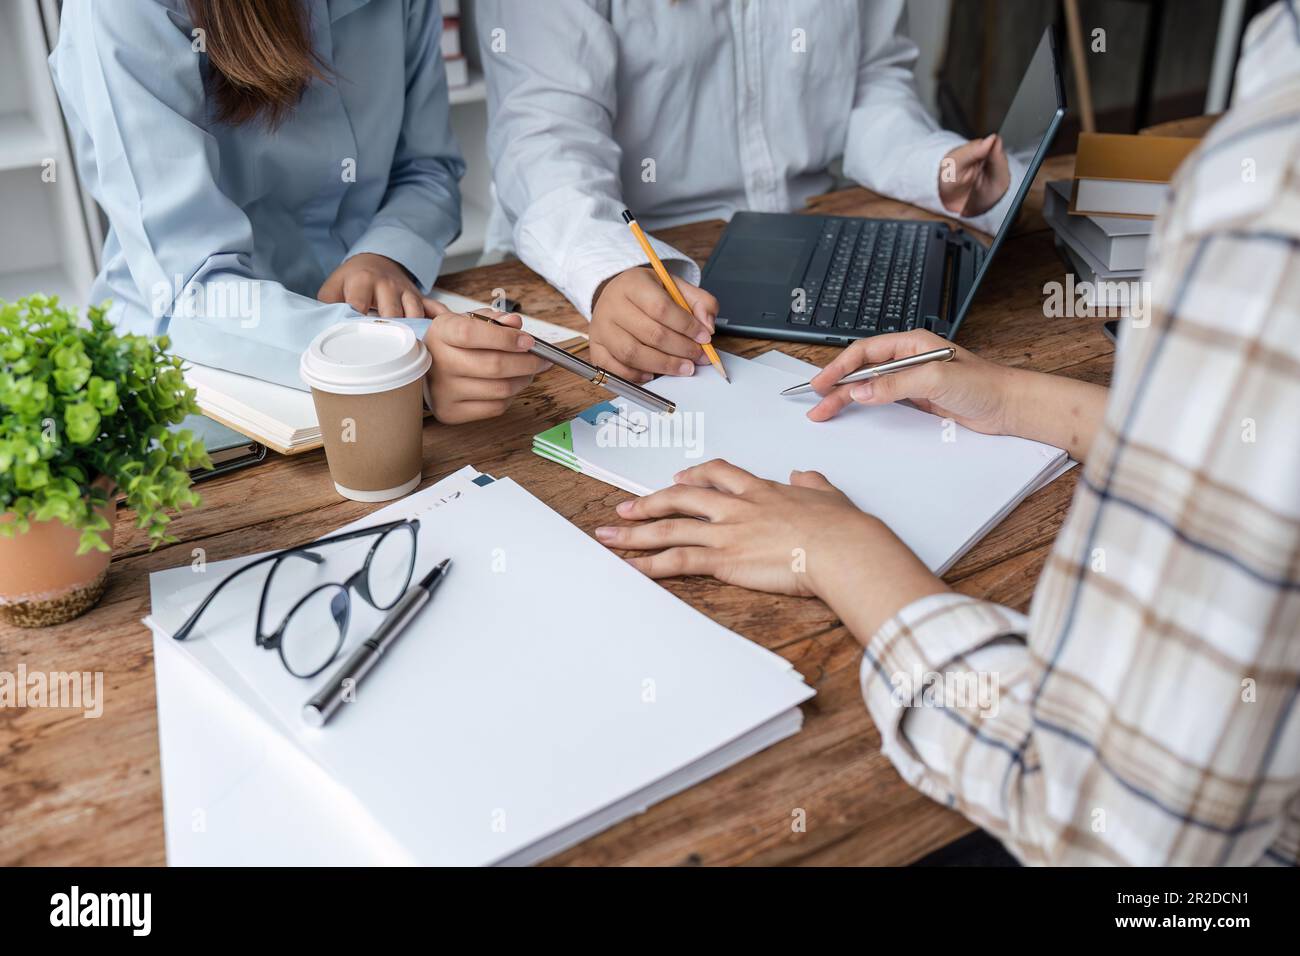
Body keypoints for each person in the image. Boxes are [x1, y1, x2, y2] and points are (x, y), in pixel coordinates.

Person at [594, 0, 1300, 865]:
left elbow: (1116, 836)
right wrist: (1026, 402)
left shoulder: (1273, 193)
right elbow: (1258, 457)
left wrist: (845, 554)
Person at [50, 0, 546, 424]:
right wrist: (399, 360)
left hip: (381, 347)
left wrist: (385, 254)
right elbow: (189, 291)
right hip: (194, 381)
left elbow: (427, 167)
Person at [476, 0, 1012, 383]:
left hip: (813, 240)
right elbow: (545, 138)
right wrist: (607, 267)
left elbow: (872, 84)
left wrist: (932, 166)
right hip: (634, 263)